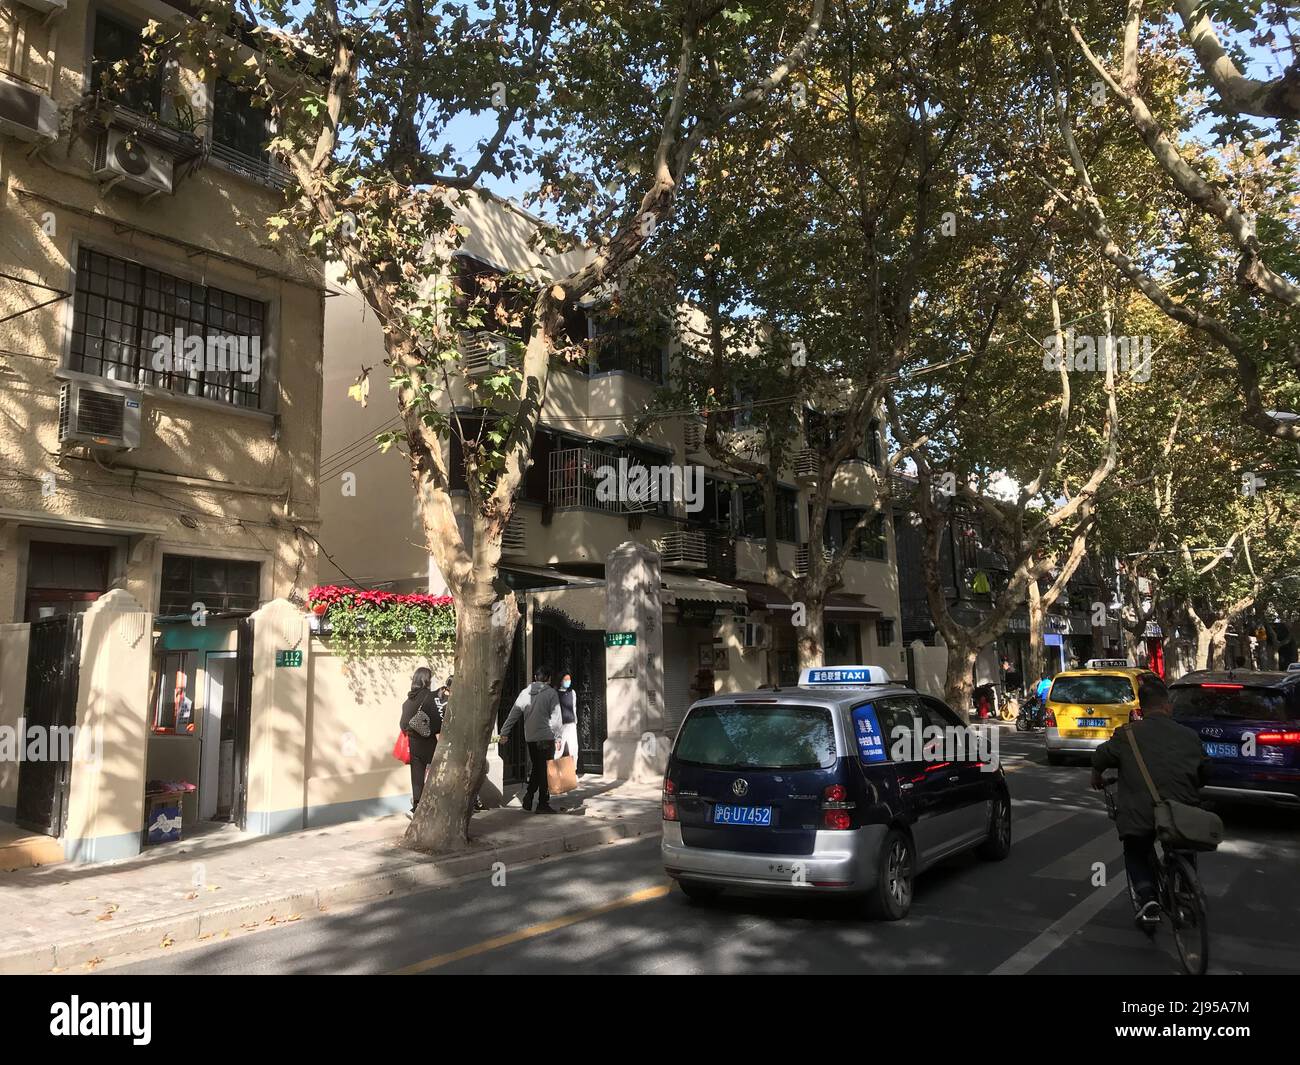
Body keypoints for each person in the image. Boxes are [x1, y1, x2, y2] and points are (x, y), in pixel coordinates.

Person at [1090, 675, 1208, 932]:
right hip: (1181, 811)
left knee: (1136, 848)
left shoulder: (1127, 735)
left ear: (1141, 708)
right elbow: (1204, 774)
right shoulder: (1189, 735)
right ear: (1167, 706)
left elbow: (1101, 756)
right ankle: (1186, 892)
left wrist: (1097, 776)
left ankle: (1148, 897)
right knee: (1183, 845)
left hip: (1139, 812)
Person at [499, 666, 562, 813]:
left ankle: (529, 795)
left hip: (531, 738)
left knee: (538, 768)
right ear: (548, 679)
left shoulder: (524, 693)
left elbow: (513, 714)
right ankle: (542, 803)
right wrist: (558, 737)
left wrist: (504, 732)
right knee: (544, 770)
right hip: (546, 737)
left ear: (535, 678)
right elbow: (556, 718)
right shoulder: (551, 693)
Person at [400, 666, 443, 815]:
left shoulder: (407, 701)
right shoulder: (430, 697)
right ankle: (434, 808)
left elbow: (403, 725)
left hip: (414, 744)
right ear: (427, 680)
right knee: (435, 775)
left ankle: (417, 807)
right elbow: (438, 723)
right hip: (429, 743)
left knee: (417, 777)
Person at [556, 671, 580, 772]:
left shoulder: (572, 693)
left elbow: (574, 707)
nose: (568, 681)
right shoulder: (556, 693)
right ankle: (555, 774)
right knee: (558, 750)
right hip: (561, 726)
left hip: (571, 724)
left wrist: (575, 721)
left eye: (569, 679)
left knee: (574, 749)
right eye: (566, 680)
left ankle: (573, 772)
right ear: (561, 681)